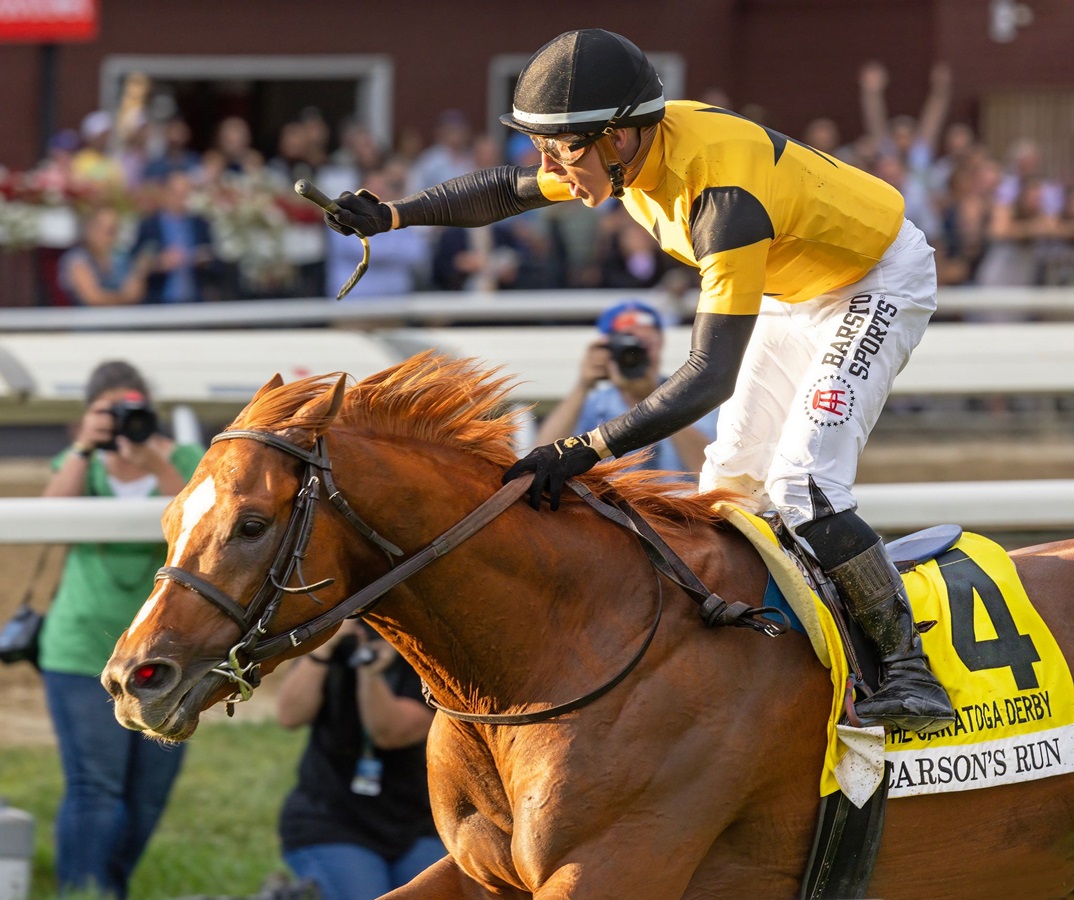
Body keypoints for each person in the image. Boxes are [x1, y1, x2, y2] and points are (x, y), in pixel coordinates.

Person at [321, 28, 956, 736]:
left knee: (804, 484)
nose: (547, 164)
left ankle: (909, 672)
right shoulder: (622, 146)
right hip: (795, 285)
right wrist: (394, 214)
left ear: (619, 139)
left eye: (559, 149)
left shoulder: (721, 195)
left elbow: (707, 378)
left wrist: (583, 449)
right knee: (728, 488)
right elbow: (504, 190)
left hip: (875, 281)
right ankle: (768, 655)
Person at [37, 360, 205, 899]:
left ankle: (108, 887)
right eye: (108, 413)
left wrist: (154, 459)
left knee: (147, 794)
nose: (122, 423)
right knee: (95, 788)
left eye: (132, 411)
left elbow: (201, 526)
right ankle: (84, 892)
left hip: (165, 651)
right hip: (81, 647)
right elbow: (49, 519)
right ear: (87, 416)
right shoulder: (80, 462)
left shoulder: (182, 460)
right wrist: (85, 448)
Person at [276, 619, 445, 900]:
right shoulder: (338, 647)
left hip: (416, 825)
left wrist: (370, 673)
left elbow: (388, 733)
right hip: (329, 822)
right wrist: (322, 649)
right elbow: (290, 716)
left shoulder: (426, 659)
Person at [536, 299, 716, 478]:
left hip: (682, 502)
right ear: (607, 350)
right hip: (613, 504)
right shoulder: (595, 404)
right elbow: (544, 460)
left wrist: (656, 401)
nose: (634, 355)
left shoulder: (691, 396)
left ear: (660, 343)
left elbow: (709, 469)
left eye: (643, 344)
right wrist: (583, 385)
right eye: (626, 347)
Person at [132, 170, 220, 303]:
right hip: (158, 302)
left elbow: (216, 261)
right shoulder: (149, 225)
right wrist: (159, 262)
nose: (181, 198)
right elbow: (135, 260)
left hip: (195, 301)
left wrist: (202, 258)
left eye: (185, 193)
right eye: (176, 193)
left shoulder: (200, 224)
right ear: (166, 193)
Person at [58, 205, 152, 306]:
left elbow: (135, 295)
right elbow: (92, 298)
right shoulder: (76, 259)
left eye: (112, 230)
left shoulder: (122, 257)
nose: (107, 235)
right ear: (89, 228)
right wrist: (123, 297)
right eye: (101, 228)